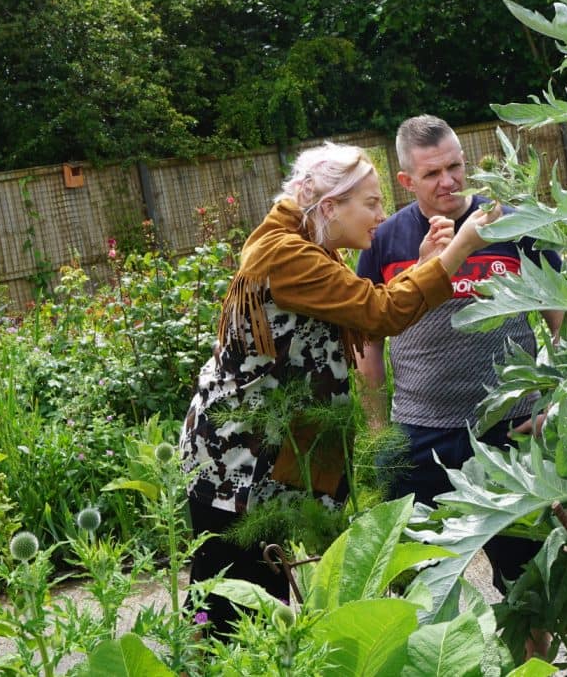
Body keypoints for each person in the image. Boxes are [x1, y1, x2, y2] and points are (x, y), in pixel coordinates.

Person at [179, 141, 497, 631]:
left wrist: (421, 265)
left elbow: (357, 316)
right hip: (239, 462)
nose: (381, 213)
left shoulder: (304, 242)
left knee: (264, 604)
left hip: (273, 451)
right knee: (233, 613)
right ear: (330, 206)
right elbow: (381, 313)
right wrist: (458, 251)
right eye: (371, 202)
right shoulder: (286, 254)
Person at [356, 116, 563, 610]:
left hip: (512, 428)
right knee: (415, 586)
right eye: (431, 174)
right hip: (418, 434)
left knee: (528, 586)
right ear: (406, 181)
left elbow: (565, 321)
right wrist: (376, 427)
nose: (448, 181)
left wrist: (555, 403)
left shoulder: (514, 225)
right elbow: (368, 345)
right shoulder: (385, 240)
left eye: (455, 166)